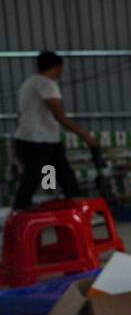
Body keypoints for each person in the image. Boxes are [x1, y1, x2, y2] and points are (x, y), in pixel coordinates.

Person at [11, 51, 96, 209]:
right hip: (38, 140)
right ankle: (19, 211)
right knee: (34, 177)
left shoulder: (28, 83)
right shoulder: (47, 84)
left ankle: (76, 207)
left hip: (35, 138)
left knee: (63, 174)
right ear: (57, 67)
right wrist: (84, 135)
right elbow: (59, 115)